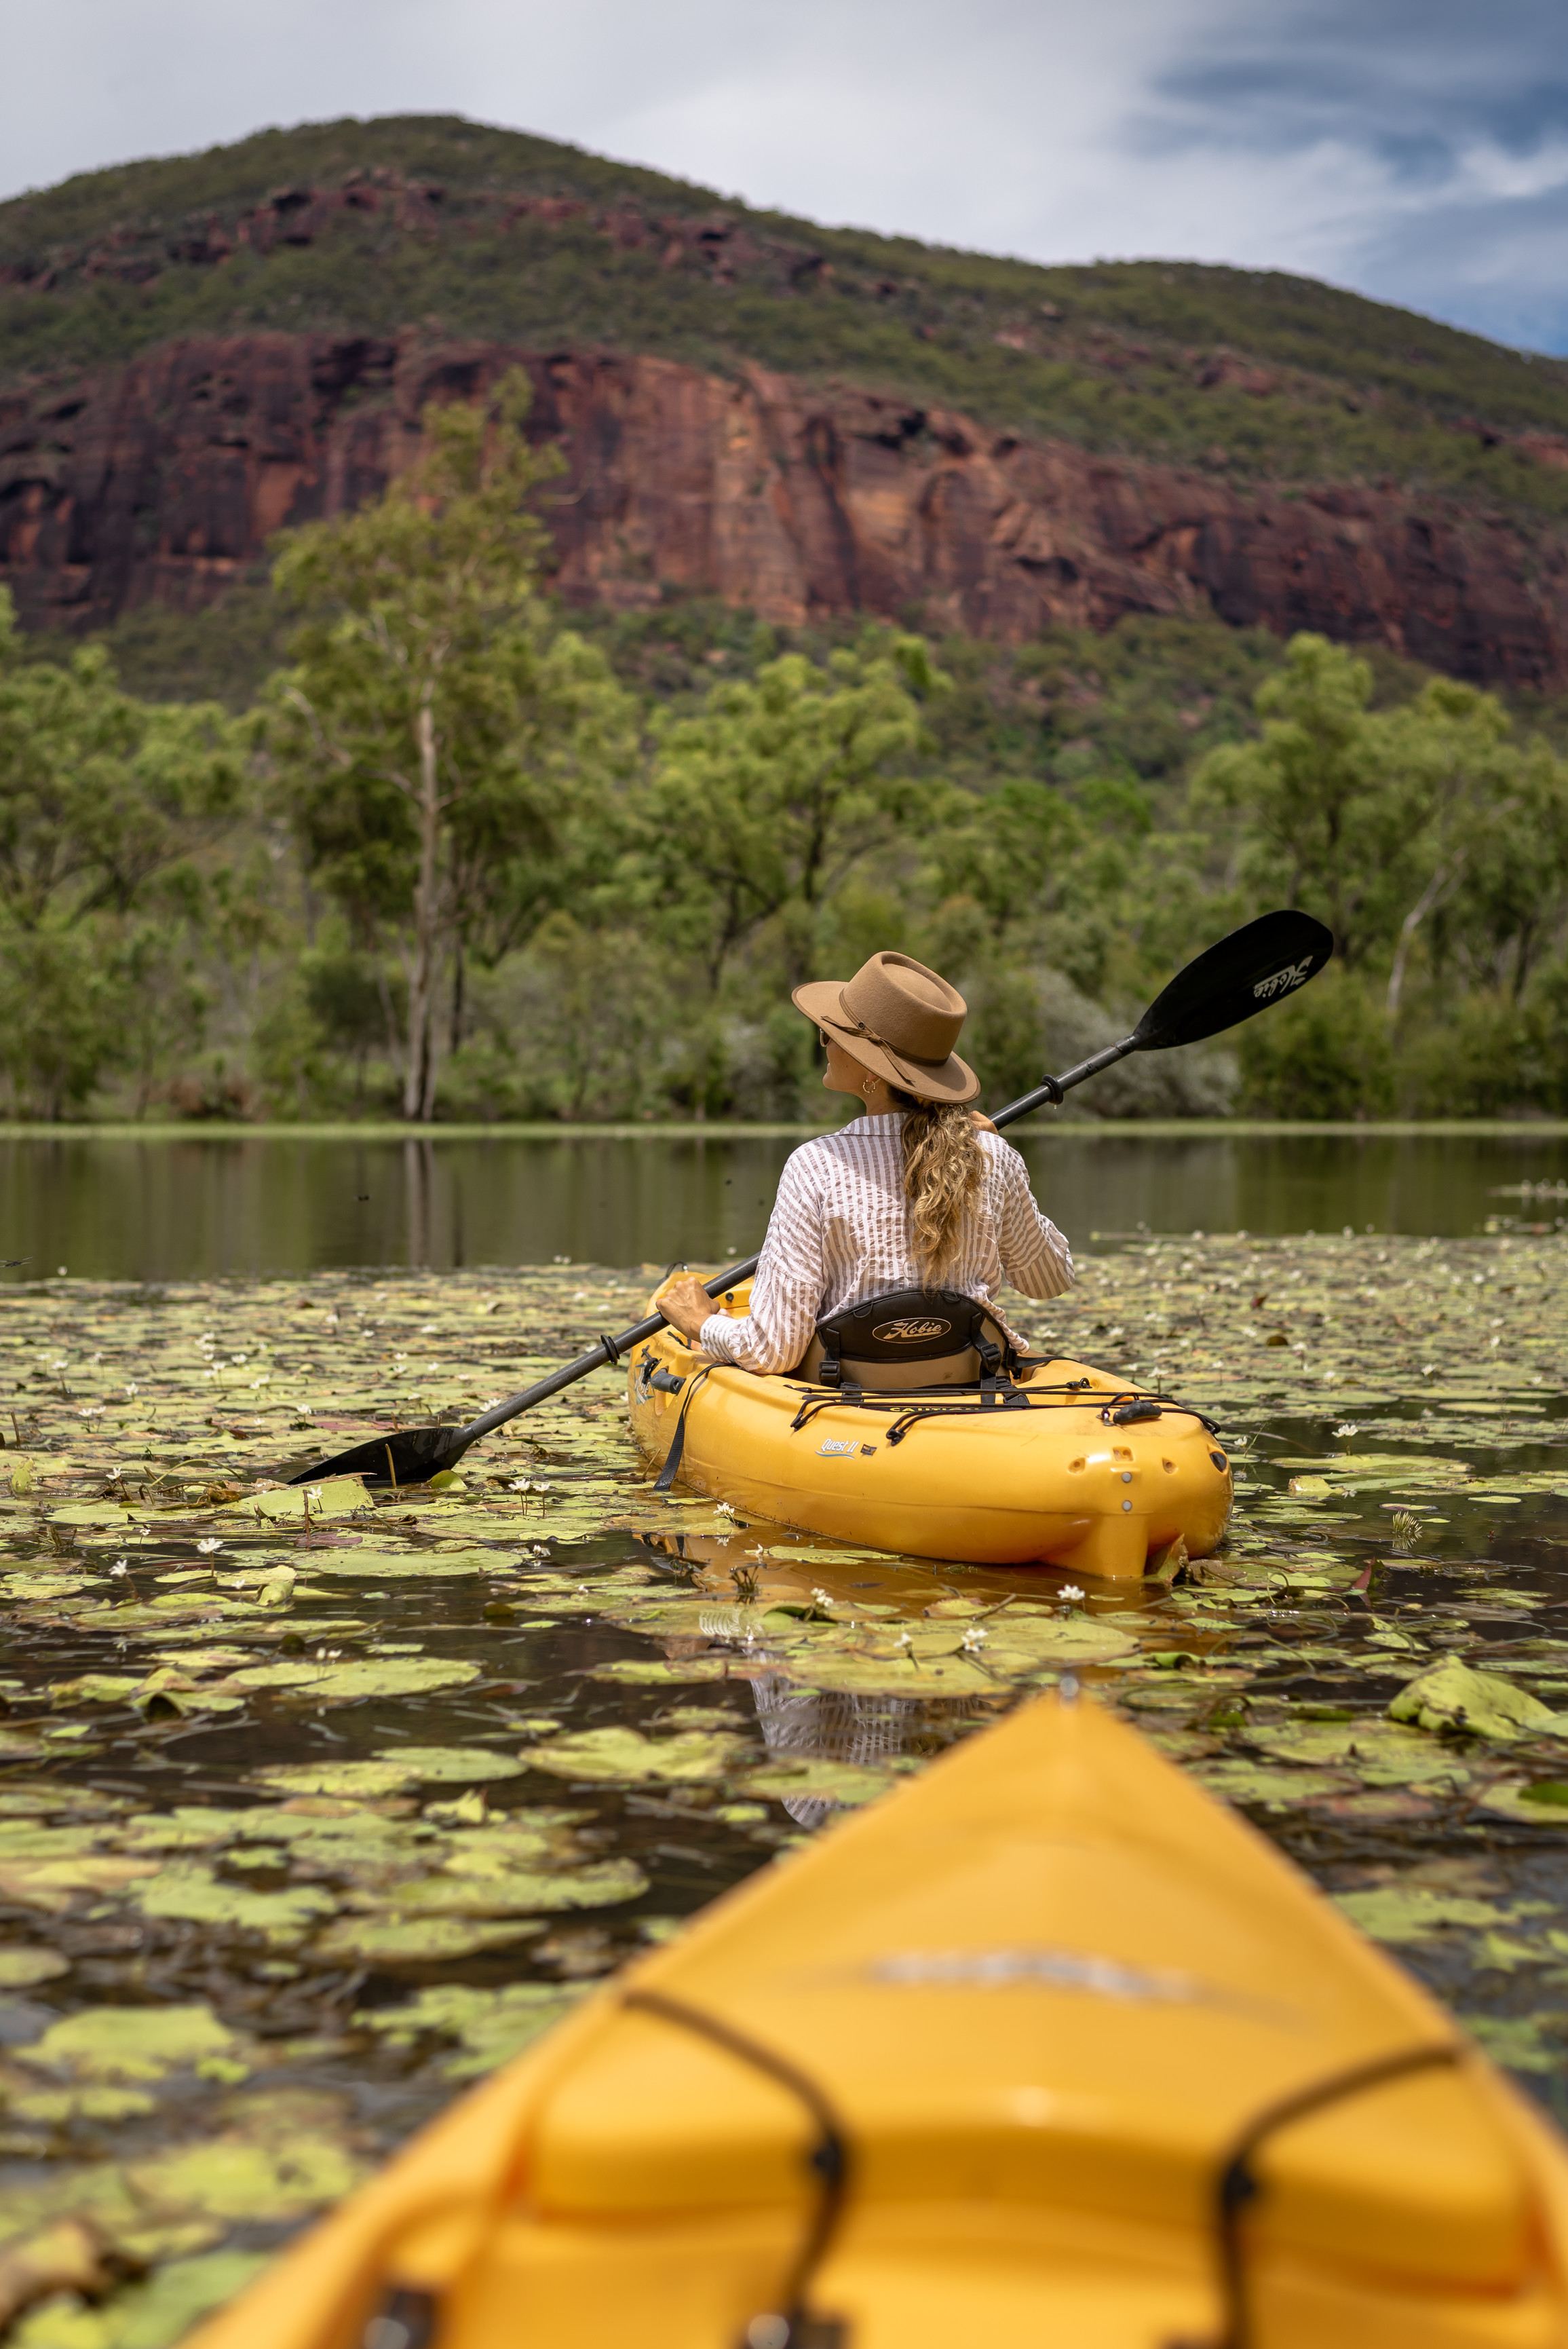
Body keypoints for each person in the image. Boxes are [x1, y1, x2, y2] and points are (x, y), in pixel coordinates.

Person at [659, 951, 1073, 1373]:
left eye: (829, 1036)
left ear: (871, 1069)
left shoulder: (813, 1165)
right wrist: (1001, 1164)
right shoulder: (994, 1157)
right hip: (973, 1381)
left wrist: (702, 1323)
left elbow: (773, 1350)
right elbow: (1049, 1281)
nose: (822, 1044)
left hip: (853, 1399)